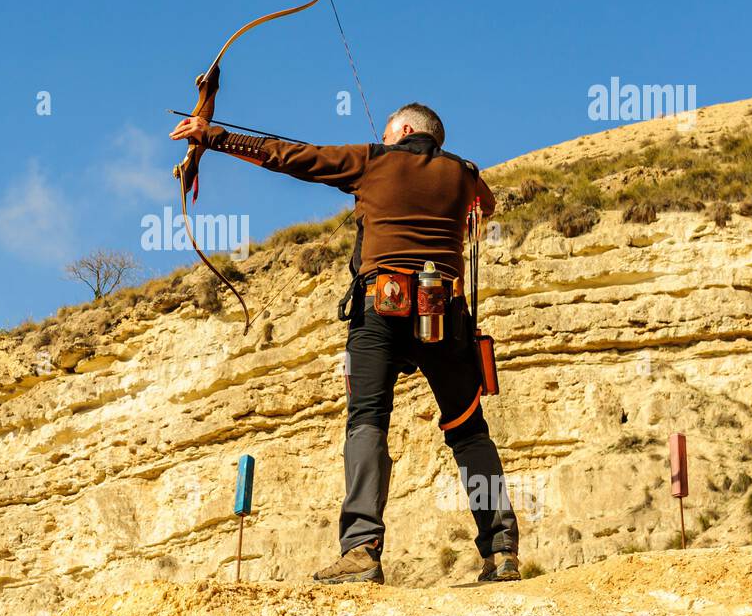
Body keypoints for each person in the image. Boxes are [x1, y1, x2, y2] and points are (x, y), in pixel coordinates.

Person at [169, 103, 521, 584]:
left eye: (388, 130)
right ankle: (501, 552)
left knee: (366, 423)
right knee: (468, 431)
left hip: (381, 309)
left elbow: (294, 157)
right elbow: (487, 204)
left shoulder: (375, 160)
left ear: (404, 131)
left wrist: (215, 137)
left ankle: (361, 552)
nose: (383, 134)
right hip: (444, 316)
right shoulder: (465, 174)